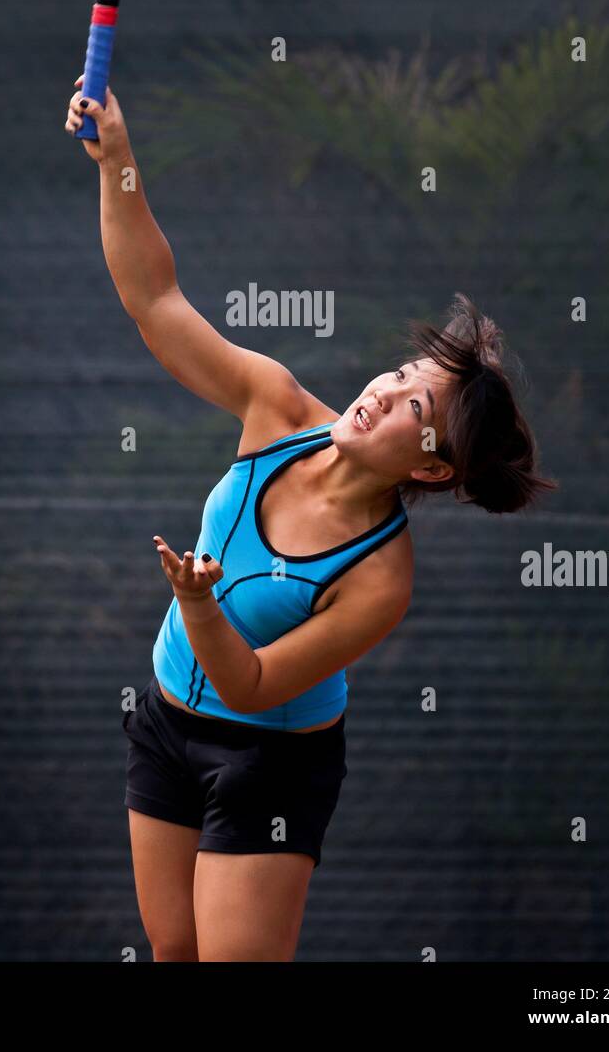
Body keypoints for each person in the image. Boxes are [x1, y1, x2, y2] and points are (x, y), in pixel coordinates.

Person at [65, 80, 557, 962]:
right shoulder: (278, 407)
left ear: (431, 466)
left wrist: (201, 606)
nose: (386, 392)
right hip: (165, 723)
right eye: (404, 371)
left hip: (271, 765)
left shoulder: (380, 578)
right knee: (171, 952)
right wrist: (120, 162)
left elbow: (253, 685)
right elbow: (157, 303)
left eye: (417, 406)